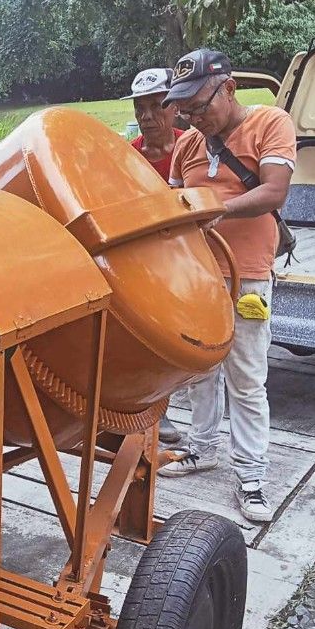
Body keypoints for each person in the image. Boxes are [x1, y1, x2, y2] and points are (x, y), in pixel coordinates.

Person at [158, 48, 297, 523]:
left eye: (201, 106)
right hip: (197, 274)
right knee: (198, 367)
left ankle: (252, 473)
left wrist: (217, 211)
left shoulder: (270, 123)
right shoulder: (188, 144)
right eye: (187, 110)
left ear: (229, 88)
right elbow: (172, 199)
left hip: (249, 274)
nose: (195, 118)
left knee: (246, 376)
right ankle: (202, 447)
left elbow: (274, 192)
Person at [123, 67, 187, 444]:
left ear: (174, 108)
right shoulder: (126, 156)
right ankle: (154, 411)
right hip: (143, 261)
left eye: (156, 107)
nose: (147, 117)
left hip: (185, 258)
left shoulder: (191, 146)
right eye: (140, 108)